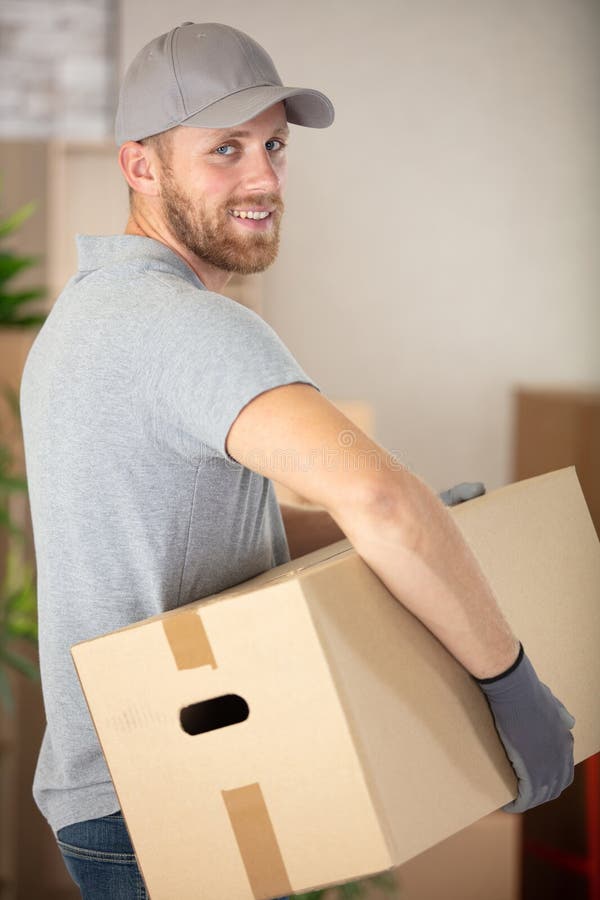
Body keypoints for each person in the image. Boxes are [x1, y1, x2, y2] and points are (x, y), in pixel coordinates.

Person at [19, 21, 575, 900]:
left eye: (274, 145)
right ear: (140, 166)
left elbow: (180, 524)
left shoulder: (86, 318)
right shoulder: (187, 327)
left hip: (126, 793)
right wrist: (510, 685)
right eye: (225, 148)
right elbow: (385, 500)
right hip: (178, 791)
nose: (263, 178)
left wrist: (351, 541)